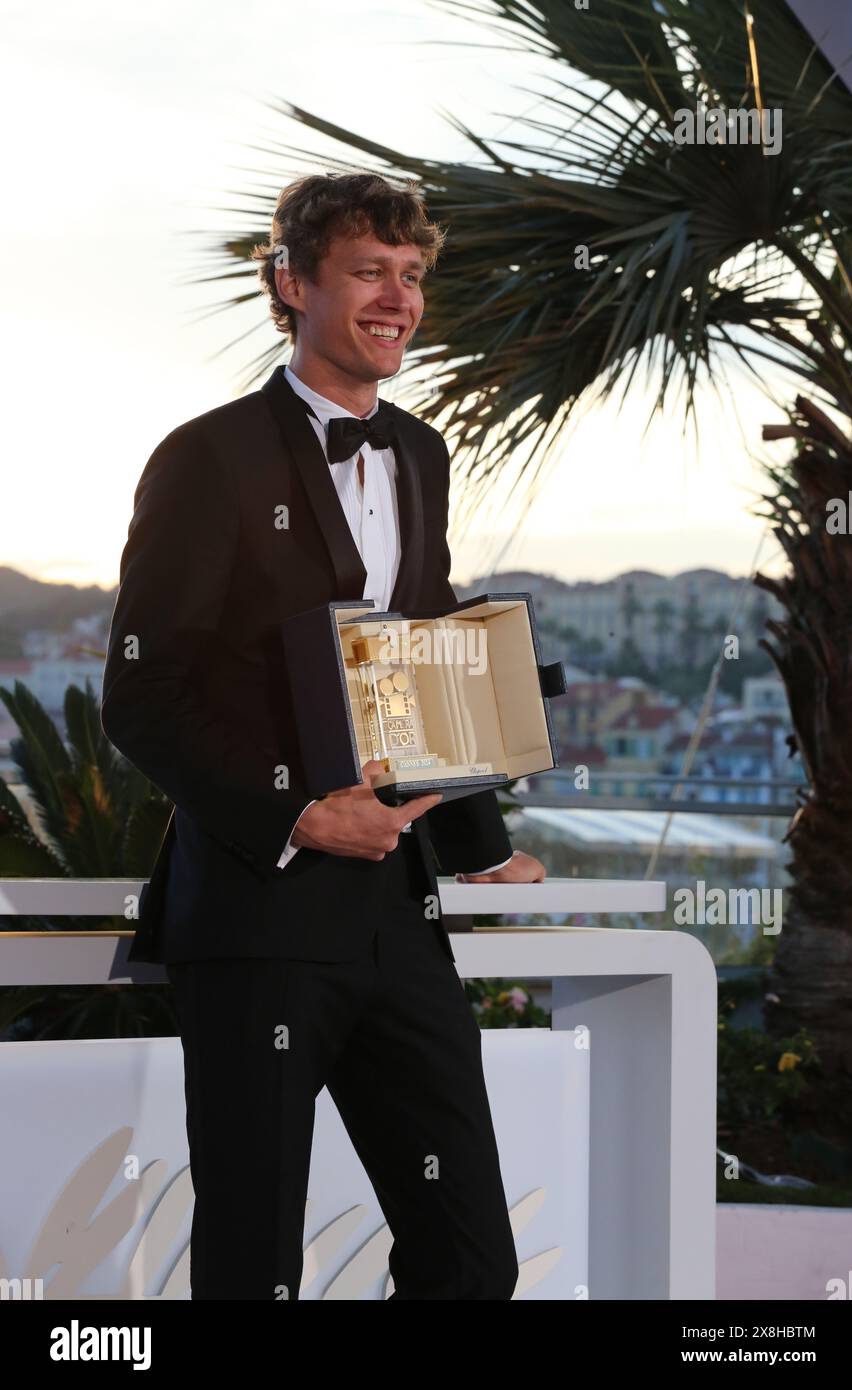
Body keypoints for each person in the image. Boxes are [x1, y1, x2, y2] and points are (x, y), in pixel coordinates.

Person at [101, 170, 546, 1301]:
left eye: (410, 276)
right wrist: (298, 812)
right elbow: (144, 695)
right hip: (258, 915)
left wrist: (478, 839)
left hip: (399, 916)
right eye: (366, 272)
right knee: (252, 1262)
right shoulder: (207, 457)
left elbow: (426, 641)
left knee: (468, 1260)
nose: (397, 297)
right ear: (292, 284)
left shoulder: (420, 453)